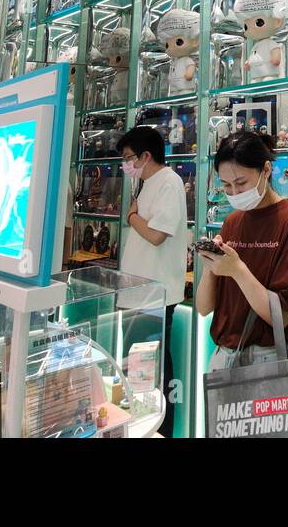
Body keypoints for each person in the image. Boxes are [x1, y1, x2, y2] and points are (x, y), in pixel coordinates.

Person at [196, 131, 288, 370]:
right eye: (226, 186)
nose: (235, 193)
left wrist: (238, 270)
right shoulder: (232, 221)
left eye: (241, 183)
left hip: (266, 360)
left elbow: (280, 317)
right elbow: (204, 308)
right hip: (223, 357)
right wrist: (212, 267)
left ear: (266, 170)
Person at [117, 125, 189, 436]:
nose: (127, 165)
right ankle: (142, 428)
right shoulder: (146, 183)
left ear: (147, 156)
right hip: (138, 294)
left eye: (130, 158)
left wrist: (132, 217)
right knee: (138, 375)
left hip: (154, 298)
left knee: (153, 376)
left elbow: (157, 234)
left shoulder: (169, 183)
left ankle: (159, 431)